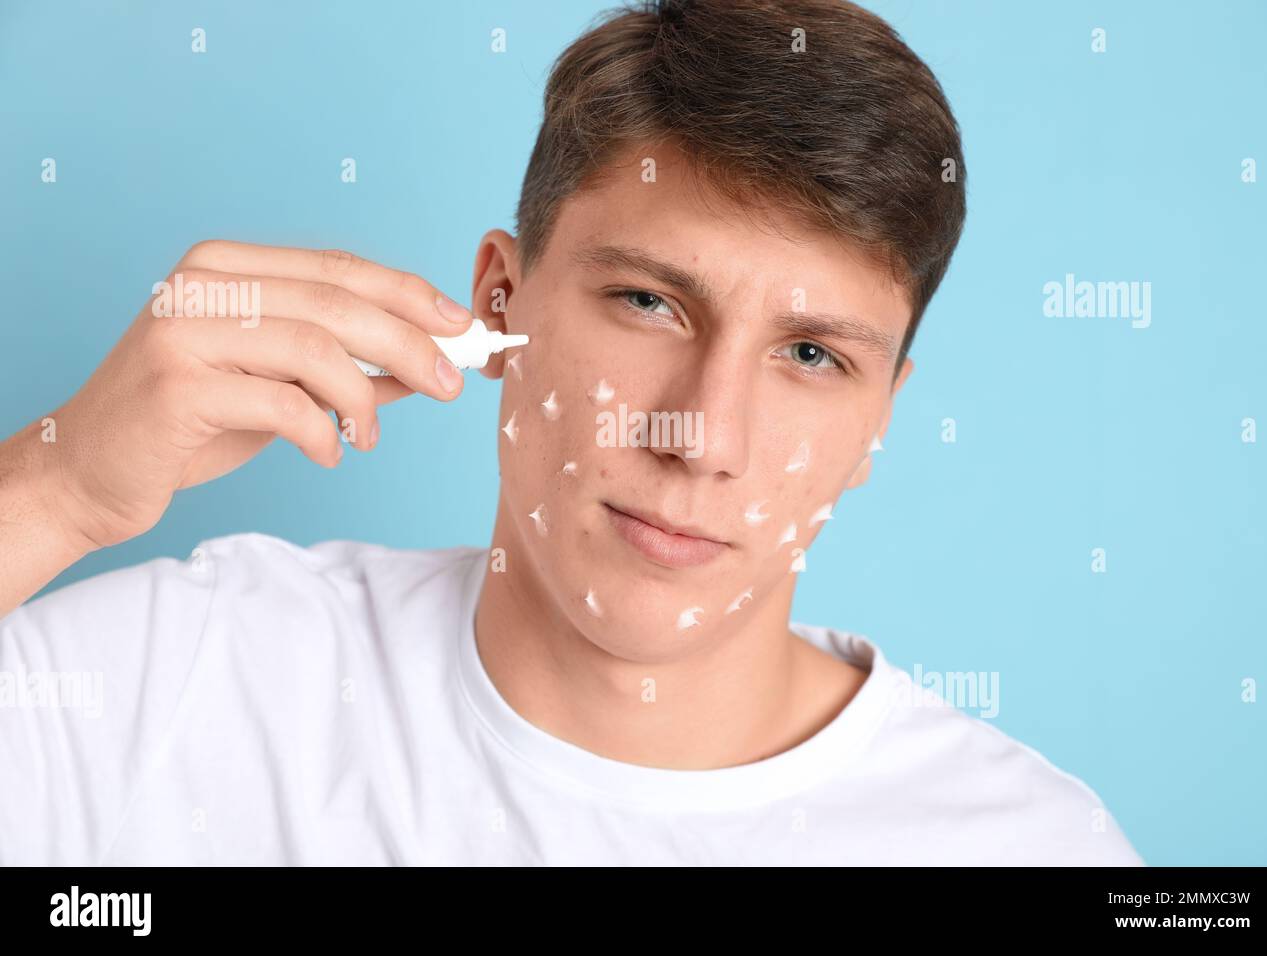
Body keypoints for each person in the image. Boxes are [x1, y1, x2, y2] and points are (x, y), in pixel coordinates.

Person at [0, 0, 1142, 865]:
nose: (702, 435)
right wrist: (53, 495)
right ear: (500, 300)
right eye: (650, 301)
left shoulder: (1029, 844)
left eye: (810, 355)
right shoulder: (178, 678)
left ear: (879, 415)